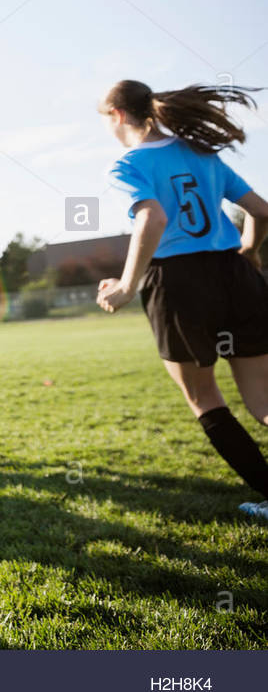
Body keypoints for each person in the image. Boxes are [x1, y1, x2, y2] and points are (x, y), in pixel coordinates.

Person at [95, 80, 268, 523]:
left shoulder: (128, 164)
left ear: (117, 115)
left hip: (178, 285)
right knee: (263, 400)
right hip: (235, 274)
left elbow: (153, 217)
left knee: (204, 397)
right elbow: (262, 210)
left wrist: (128, 285)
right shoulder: (202, 153)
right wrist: (248, 250)